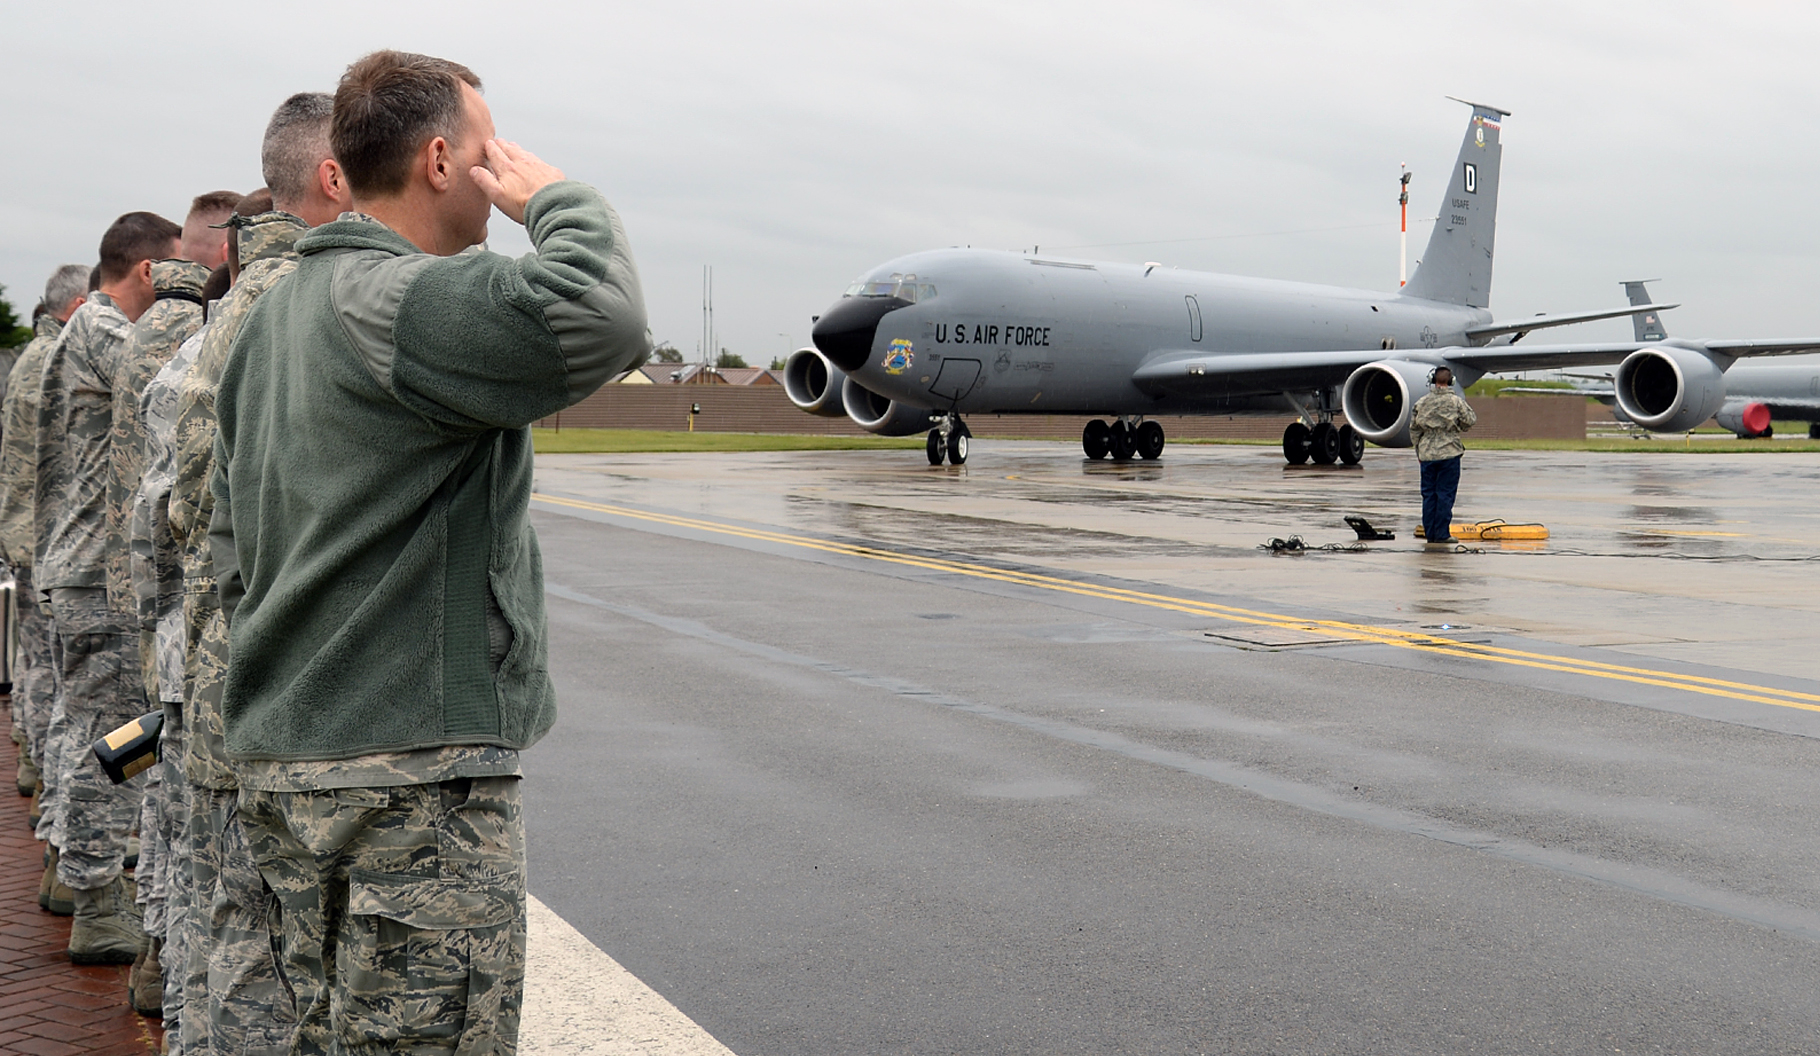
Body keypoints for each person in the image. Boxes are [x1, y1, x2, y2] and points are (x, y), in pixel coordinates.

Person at [211, 49, 649, 1053]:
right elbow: (604, 318)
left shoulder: (271, 319)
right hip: (407, 783)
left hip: (288, 764)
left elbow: (233, 543)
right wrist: (560, 203)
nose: (500, 172)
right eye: (488, 150)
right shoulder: (407, 298)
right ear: (441, 161)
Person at [167, 91, 348, 1056]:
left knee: (229, 928)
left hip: (212, 669)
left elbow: (183, 511)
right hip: (269, 687)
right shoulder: (302, 305)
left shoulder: (232, 307)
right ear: (334, 178)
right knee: (275, 960)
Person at [35, 210, 182, 964]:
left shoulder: (85, 328)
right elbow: (174, 385)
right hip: (99, 577)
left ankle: (72, 873)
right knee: (119, 747)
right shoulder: (103, 330)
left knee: (89, 735)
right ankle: (95, 902)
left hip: (83, 571)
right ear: (149, 271)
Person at [110, 189, 239, 1030]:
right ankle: (166, 970)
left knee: (168, 827)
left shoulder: (161, 337)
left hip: (163, 631)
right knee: (198, 856)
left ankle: (156, 957)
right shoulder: (196, 341)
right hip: (192, 642)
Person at [1, 264, 88, 818]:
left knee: (36, 661)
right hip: (41, 536)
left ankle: (36, 761)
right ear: (77, 305)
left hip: (26, 532)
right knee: (47, 671)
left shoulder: (34, 357)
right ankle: (40, 770)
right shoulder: (54, 361)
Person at [1411, 366, 1477, 545]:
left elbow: (1414, 429)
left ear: (1433, 380)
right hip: (1449, 453)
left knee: (1429, 495)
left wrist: (1419, 451)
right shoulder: (1456, 402)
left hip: (1427, 454)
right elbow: (1470, 420)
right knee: (1445, 495)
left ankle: (1430, 533)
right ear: (1451, 381)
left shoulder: (1421, 403)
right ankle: (1441, 534)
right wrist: (1456, 428)